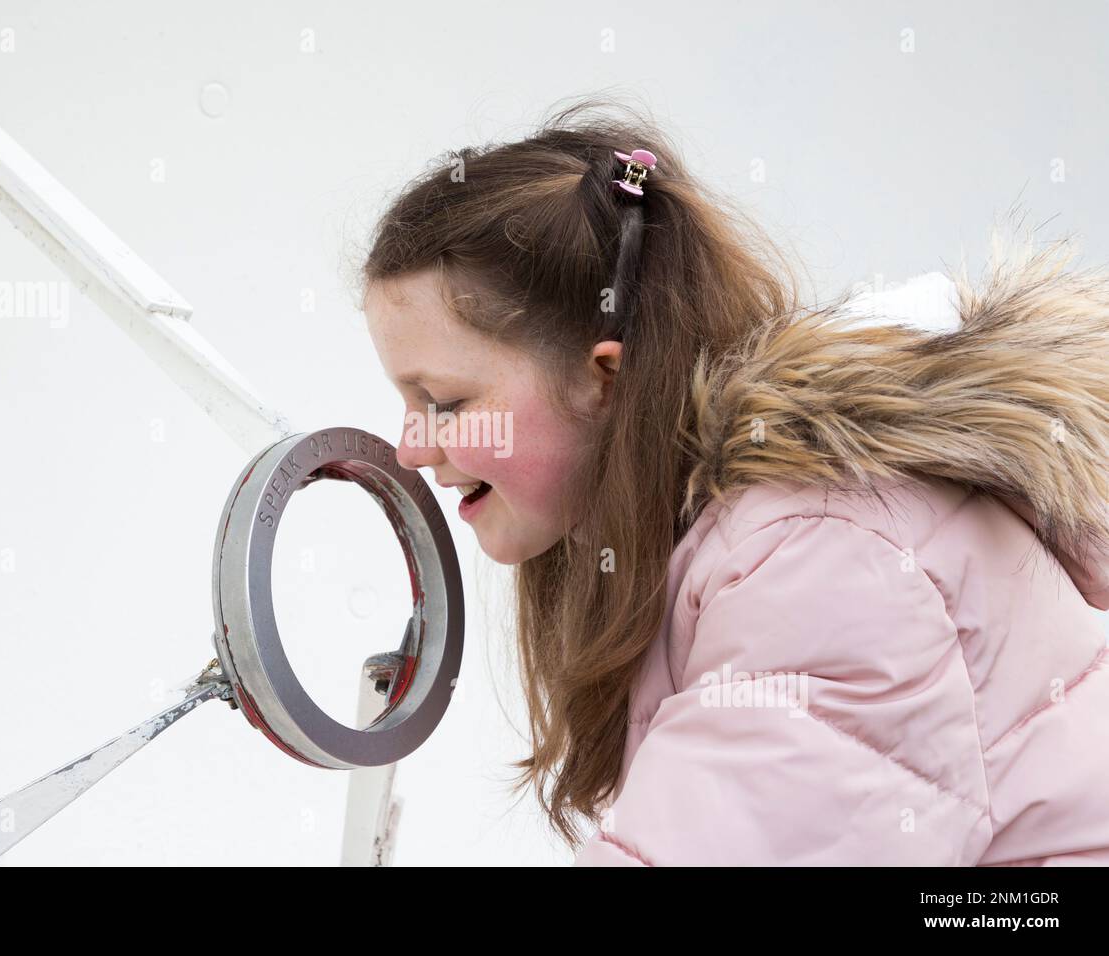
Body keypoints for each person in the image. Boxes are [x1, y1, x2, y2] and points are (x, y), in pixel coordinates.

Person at [357, 98, 1109, 865]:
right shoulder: (751, 545)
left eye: (444, 403)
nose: (412, 448)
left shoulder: (822, 559)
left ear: (605, 379)